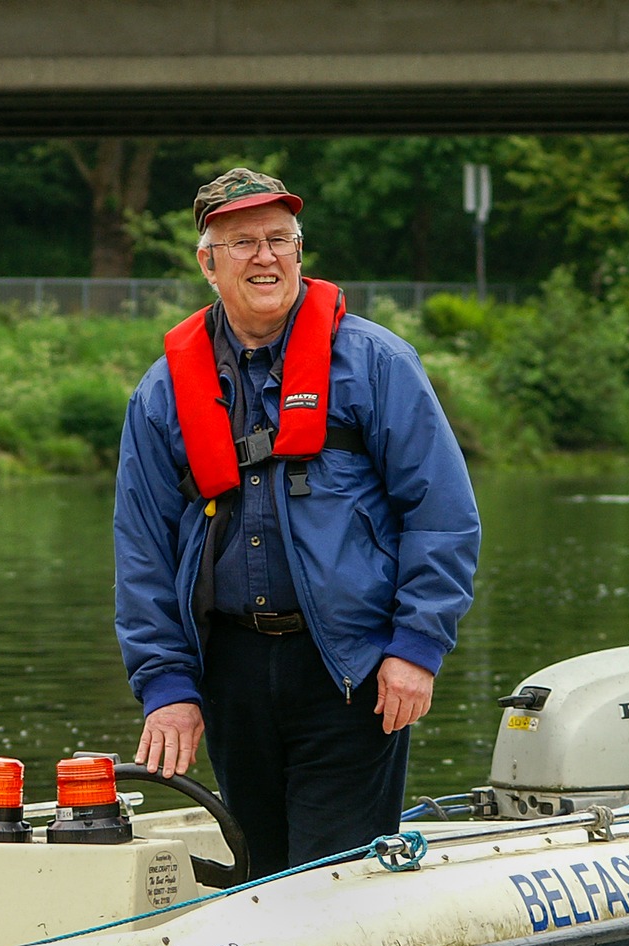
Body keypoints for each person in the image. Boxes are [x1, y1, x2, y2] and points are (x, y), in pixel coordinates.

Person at [113, 167, 480, 874]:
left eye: (280, 239)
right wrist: (167, 688)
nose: (265, 257)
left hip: (351, 669)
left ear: (300, 252)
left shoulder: (377, 364)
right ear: (207, 263)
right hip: (233, 674)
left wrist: (416, 647)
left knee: (330, 879)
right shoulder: (161, 395)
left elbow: (442, 516)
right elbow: (142, 553)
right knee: (261, 872)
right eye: (243, 242)